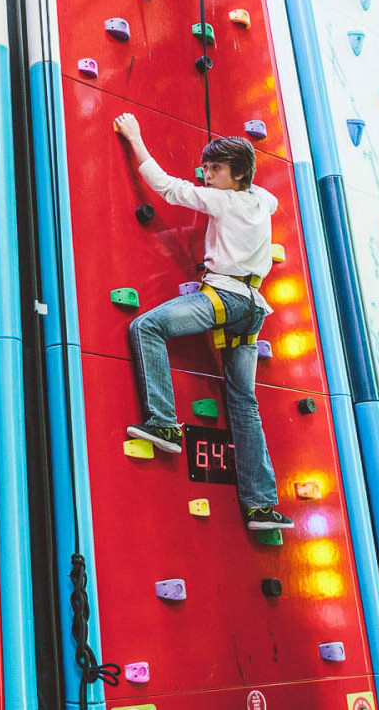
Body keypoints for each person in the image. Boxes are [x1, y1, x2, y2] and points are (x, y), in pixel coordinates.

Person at [112, 113, 294, 531]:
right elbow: (271, 200)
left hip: (225, 299)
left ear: (238, 174)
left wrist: (136, 137)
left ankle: (164, 424)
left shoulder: (224, 200)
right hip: (252, 311)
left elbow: (165, 186)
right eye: (207, 168)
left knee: (147, 327)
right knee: (244, 402)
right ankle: (260, 505)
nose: (207, 175)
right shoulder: (260, 199)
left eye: (216, 169)